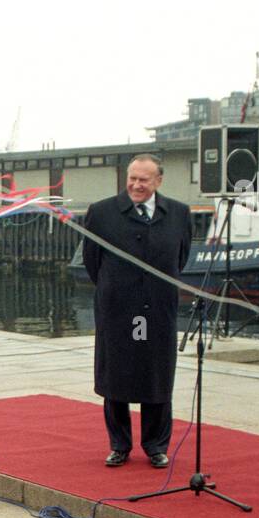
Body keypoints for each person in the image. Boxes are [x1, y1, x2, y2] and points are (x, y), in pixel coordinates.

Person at [81, 154, 192, 467]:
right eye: (132, 178)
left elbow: (179, 258)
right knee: (116, 376)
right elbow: (93, 262)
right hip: (118, 310)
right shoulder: (102, 213)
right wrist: (116, 289)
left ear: (158, 180)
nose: (136, 185)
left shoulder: (179, 214)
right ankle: (120, 444)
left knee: (156, 376)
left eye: (144, 180)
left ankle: (156, 445)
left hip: (158, 309)